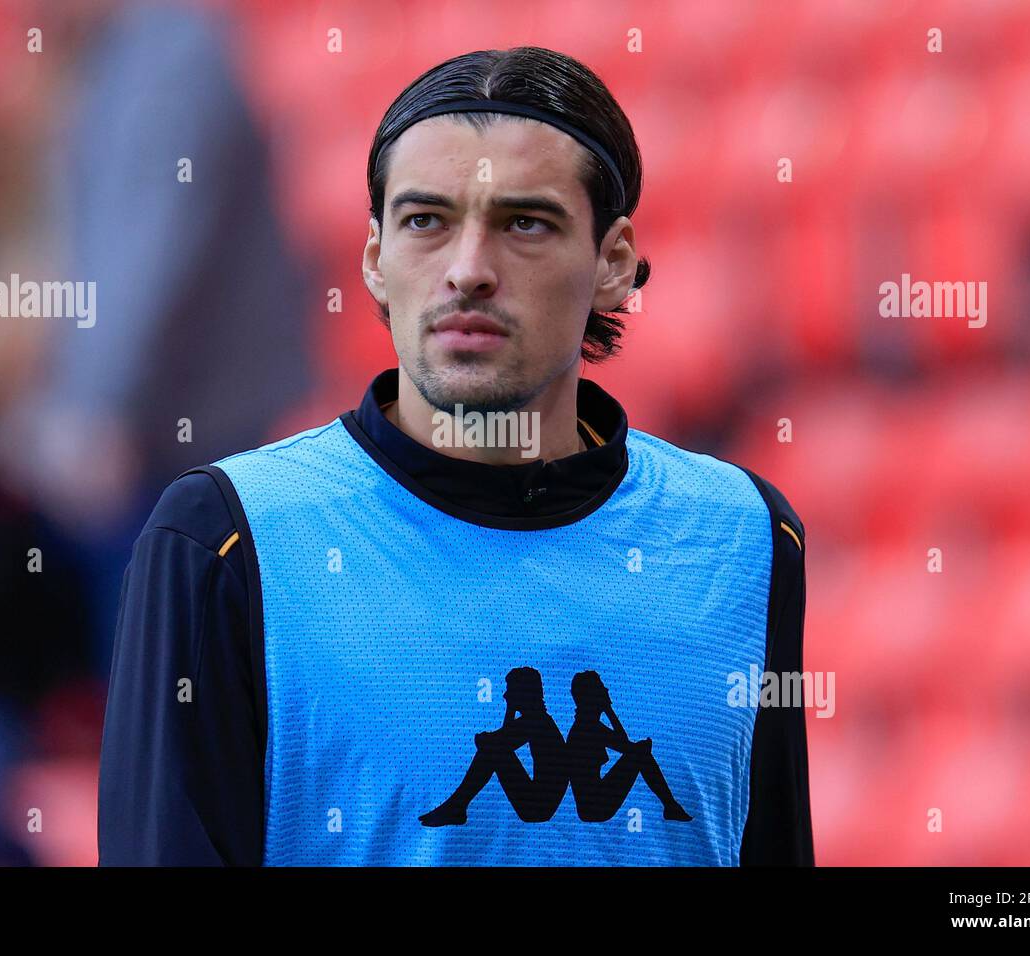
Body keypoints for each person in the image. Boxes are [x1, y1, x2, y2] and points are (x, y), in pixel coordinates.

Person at [99, 46, 813, 866]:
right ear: (374, 259)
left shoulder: (744, 537)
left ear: (614, 263)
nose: (468, 271)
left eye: (525, 224)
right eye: (426, 221)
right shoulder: (227, 538)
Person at [419, 666, 568, 827]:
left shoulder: (536, 721)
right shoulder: (537, 719)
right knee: (493, 748)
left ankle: (457, 805)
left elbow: (496, 741)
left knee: (491, 749)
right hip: (538, 805)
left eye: (510, 690)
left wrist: (507, 713)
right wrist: (509, 712)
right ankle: (457, 805)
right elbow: (503, 739)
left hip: (538, 808)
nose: (505, 695)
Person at [566, 670, 691, 823]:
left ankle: (670, 805)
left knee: (639, 752)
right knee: (640, 754)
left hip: (594, 806)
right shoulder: (587, 728)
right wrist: (609, 710)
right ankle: (670, 805)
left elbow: (624, 744)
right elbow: (626, 746)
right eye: (601, 687)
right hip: (595, 807)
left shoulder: (589, 725)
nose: (606, 690)